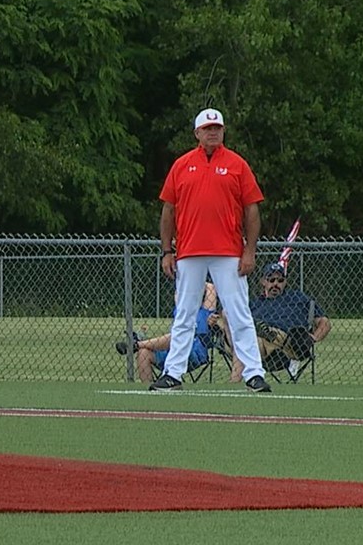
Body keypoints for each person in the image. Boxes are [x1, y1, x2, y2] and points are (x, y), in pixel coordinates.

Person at [155, 108, 270, 393]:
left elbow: (251, 209)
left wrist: (250, 251)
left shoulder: (237, 164)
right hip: (189, 251)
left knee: (239, 312)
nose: (213, 132)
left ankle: (254, 373)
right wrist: (167, 251)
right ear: (197, 133)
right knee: (184, 313)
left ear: (223, 131)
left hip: (228, 251)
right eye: (207, 129)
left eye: (217, 128)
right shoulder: (182, 165)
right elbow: (168, 209)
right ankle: (173, 373)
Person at [219, 261, 331, 381]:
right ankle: (251, 331)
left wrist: (313, 338)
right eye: (271, 280)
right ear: (263, 282)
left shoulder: (297, 298)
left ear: (285, 282)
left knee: (246, 340)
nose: (276, 284)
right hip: (251, 339)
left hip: (282, 343)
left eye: (280, 280)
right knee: (227, 314)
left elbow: (325, 322)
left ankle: (234, 381)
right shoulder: (254, 304)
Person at [116, 282, 218, 383]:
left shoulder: (205, 313)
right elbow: (179, 286)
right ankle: (149, 389)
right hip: (171, 351)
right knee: (143, 353)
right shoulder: (181, 311)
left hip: (193, 353)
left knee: (176, 337)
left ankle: (136, 344)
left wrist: (196, 280)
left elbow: (211, 288)